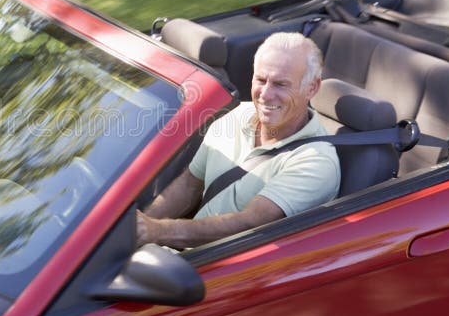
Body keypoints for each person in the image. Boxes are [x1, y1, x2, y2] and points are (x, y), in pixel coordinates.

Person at [137, 32, 340, 249]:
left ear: (312, 88)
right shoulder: (236, 115)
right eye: (261, 80)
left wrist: (157, 230)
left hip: (230, 271)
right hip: (184, 256)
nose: (265, 94)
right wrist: (138, 230)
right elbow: (189, 184)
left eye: (281, 84)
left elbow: (249, 223)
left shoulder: (316, 162)